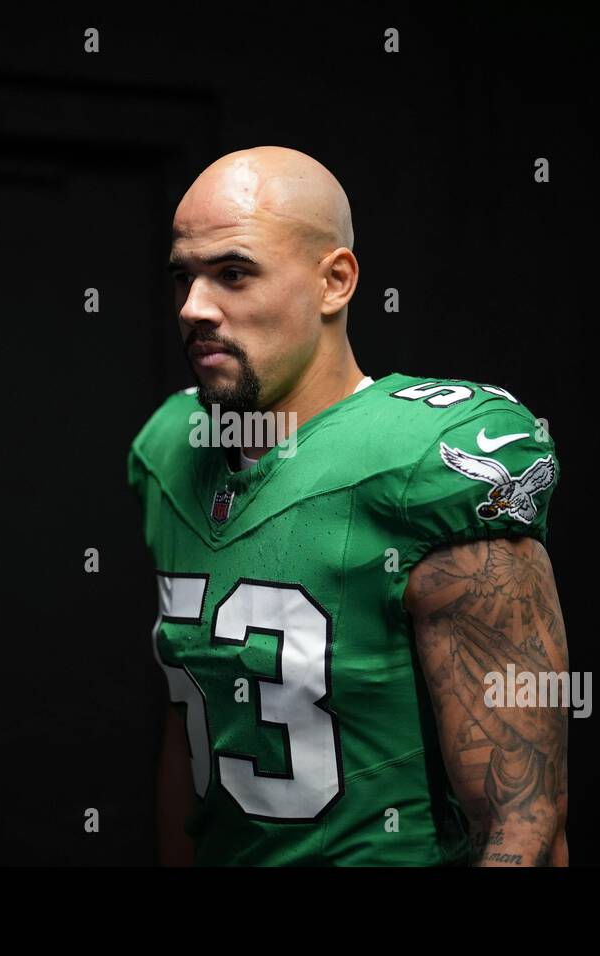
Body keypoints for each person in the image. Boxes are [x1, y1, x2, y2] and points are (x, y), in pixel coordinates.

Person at [127, 146, 569, 865]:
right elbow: (192, 726)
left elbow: (523, 819)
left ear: (334, 282)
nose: (193, 308)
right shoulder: (170, 448)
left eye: (233, 274)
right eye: (185, 276)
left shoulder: (424, 462)